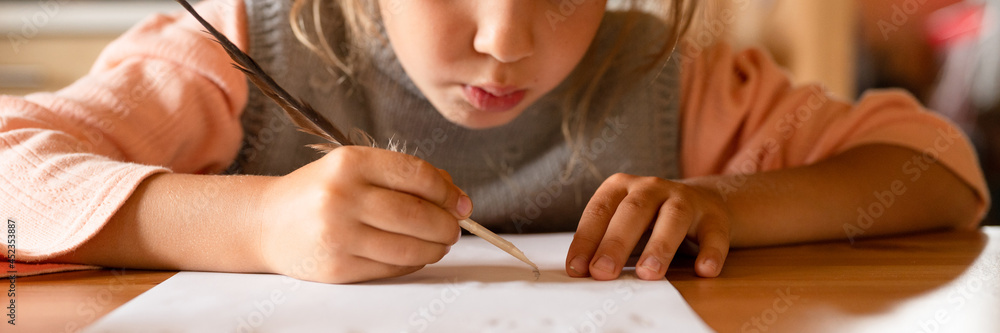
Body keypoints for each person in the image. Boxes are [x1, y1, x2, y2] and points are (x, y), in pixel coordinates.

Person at [0, 0, 988, 284]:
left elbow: (934, 170)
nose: (505, 41)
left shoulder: (666, 74)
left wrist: (729, 203)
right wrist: (253, 223)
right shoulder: (241, 53)